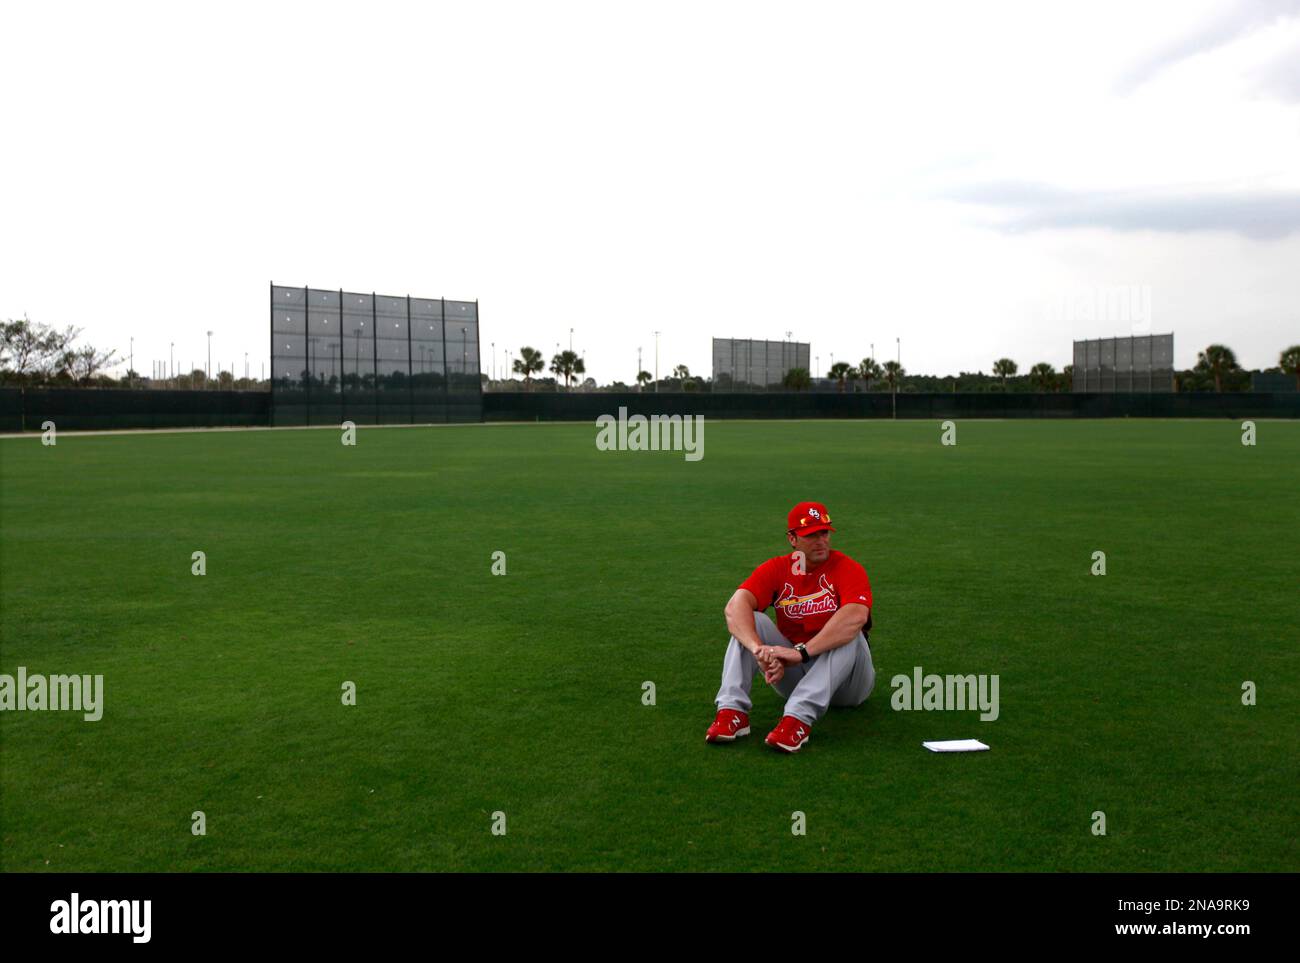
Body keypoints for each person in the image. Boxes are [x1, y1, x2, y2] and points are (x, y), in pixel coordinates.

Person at [705, 501, 875, 753]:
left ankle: (797, 718)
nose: (820, 541)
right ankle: (732, 711)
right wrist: (758, 650)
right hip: (795, 675)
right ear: (792, 539)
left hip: (849, 683)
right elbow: (735, 606)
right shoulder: (777, 568)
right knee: (753, 620)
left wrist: (801, 652)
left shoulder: (847, 567)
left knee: (851, 631)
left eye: (824, 532)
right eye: (810, 535)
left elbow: (855, 616)